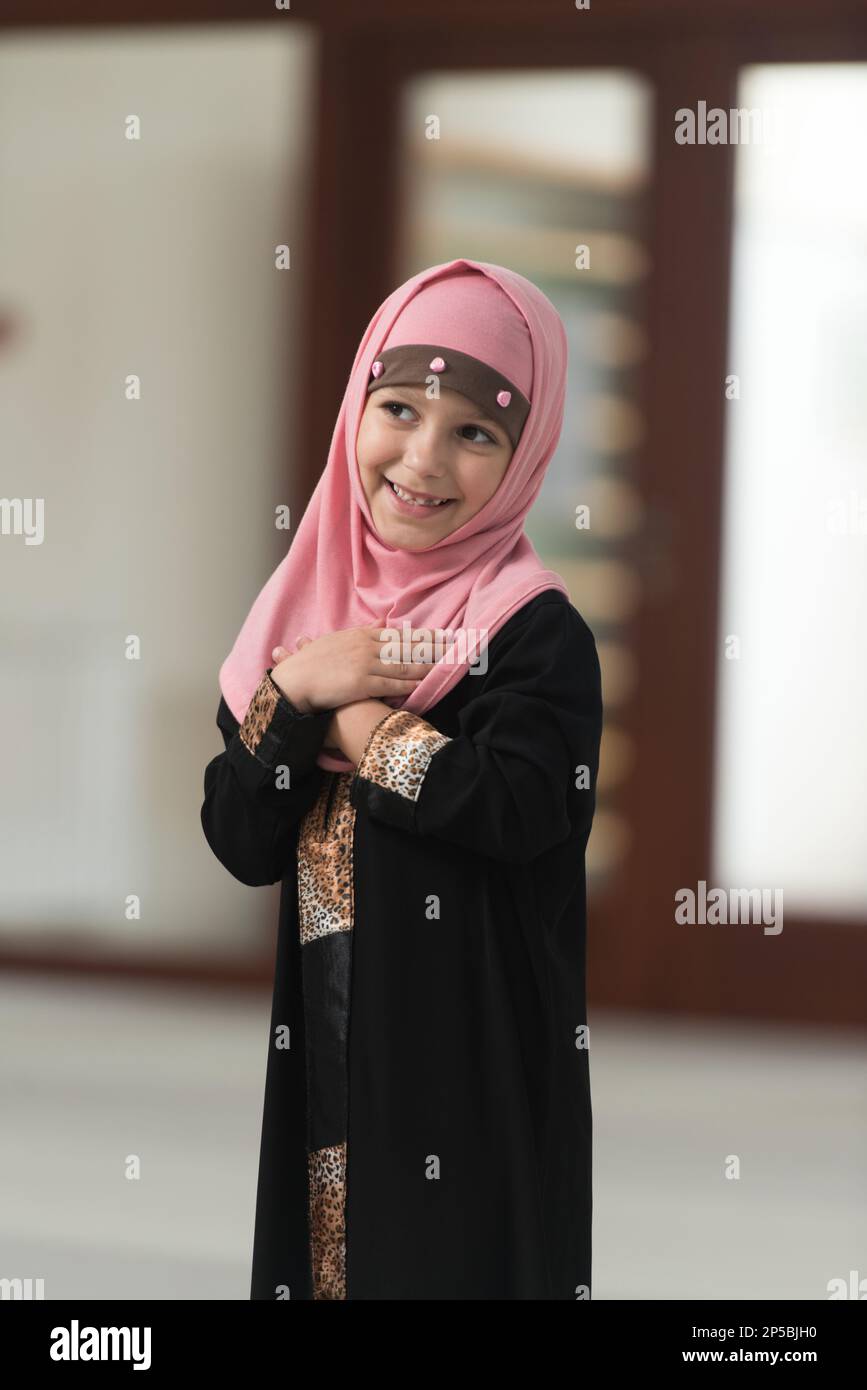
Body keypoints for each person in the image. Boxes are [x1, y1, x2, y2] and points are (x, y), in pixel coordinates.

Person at [201, 257, 603, 1300]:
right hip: (327, 1057)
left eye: (475, 431)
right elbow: (241, 838)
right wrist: (294, 692)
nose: (422, 458)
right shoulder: (300, 620)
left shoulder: (530, 630)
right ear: (355, 409)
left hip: (477, 1074)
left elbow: (519, 808)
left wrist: (364, 720)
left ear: (525, 456)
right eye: (398, 408)